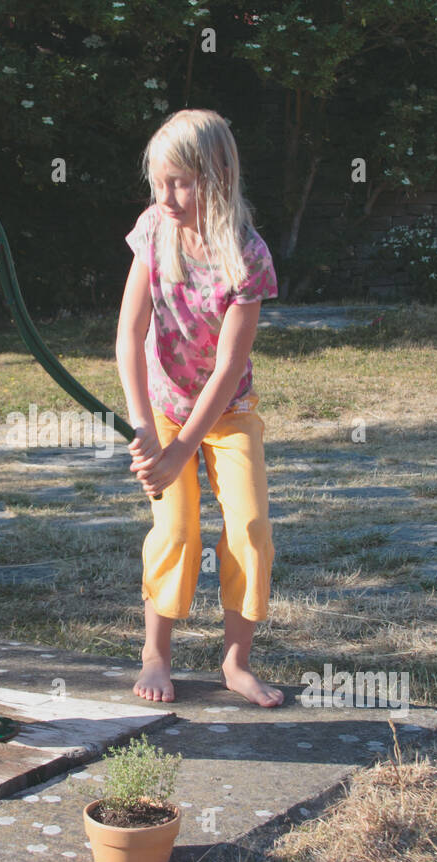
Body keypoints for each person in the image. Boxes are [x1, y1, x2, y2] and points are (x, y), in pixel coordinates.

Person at [115, 108, 283, 707]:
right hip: (163, 407)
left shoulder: (247, 255)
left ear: (219, 176)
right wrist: (145, 429)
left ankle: (236, 663)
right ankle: (155, 654)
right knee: (177, 528)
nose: (167, 197)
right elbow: (128, 337)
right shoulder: (154, 231)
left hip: (226, 411)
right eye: (159, 184)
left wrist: (185, 445)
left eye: (180, 183)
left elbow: (229, 368)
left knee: (250, 527)